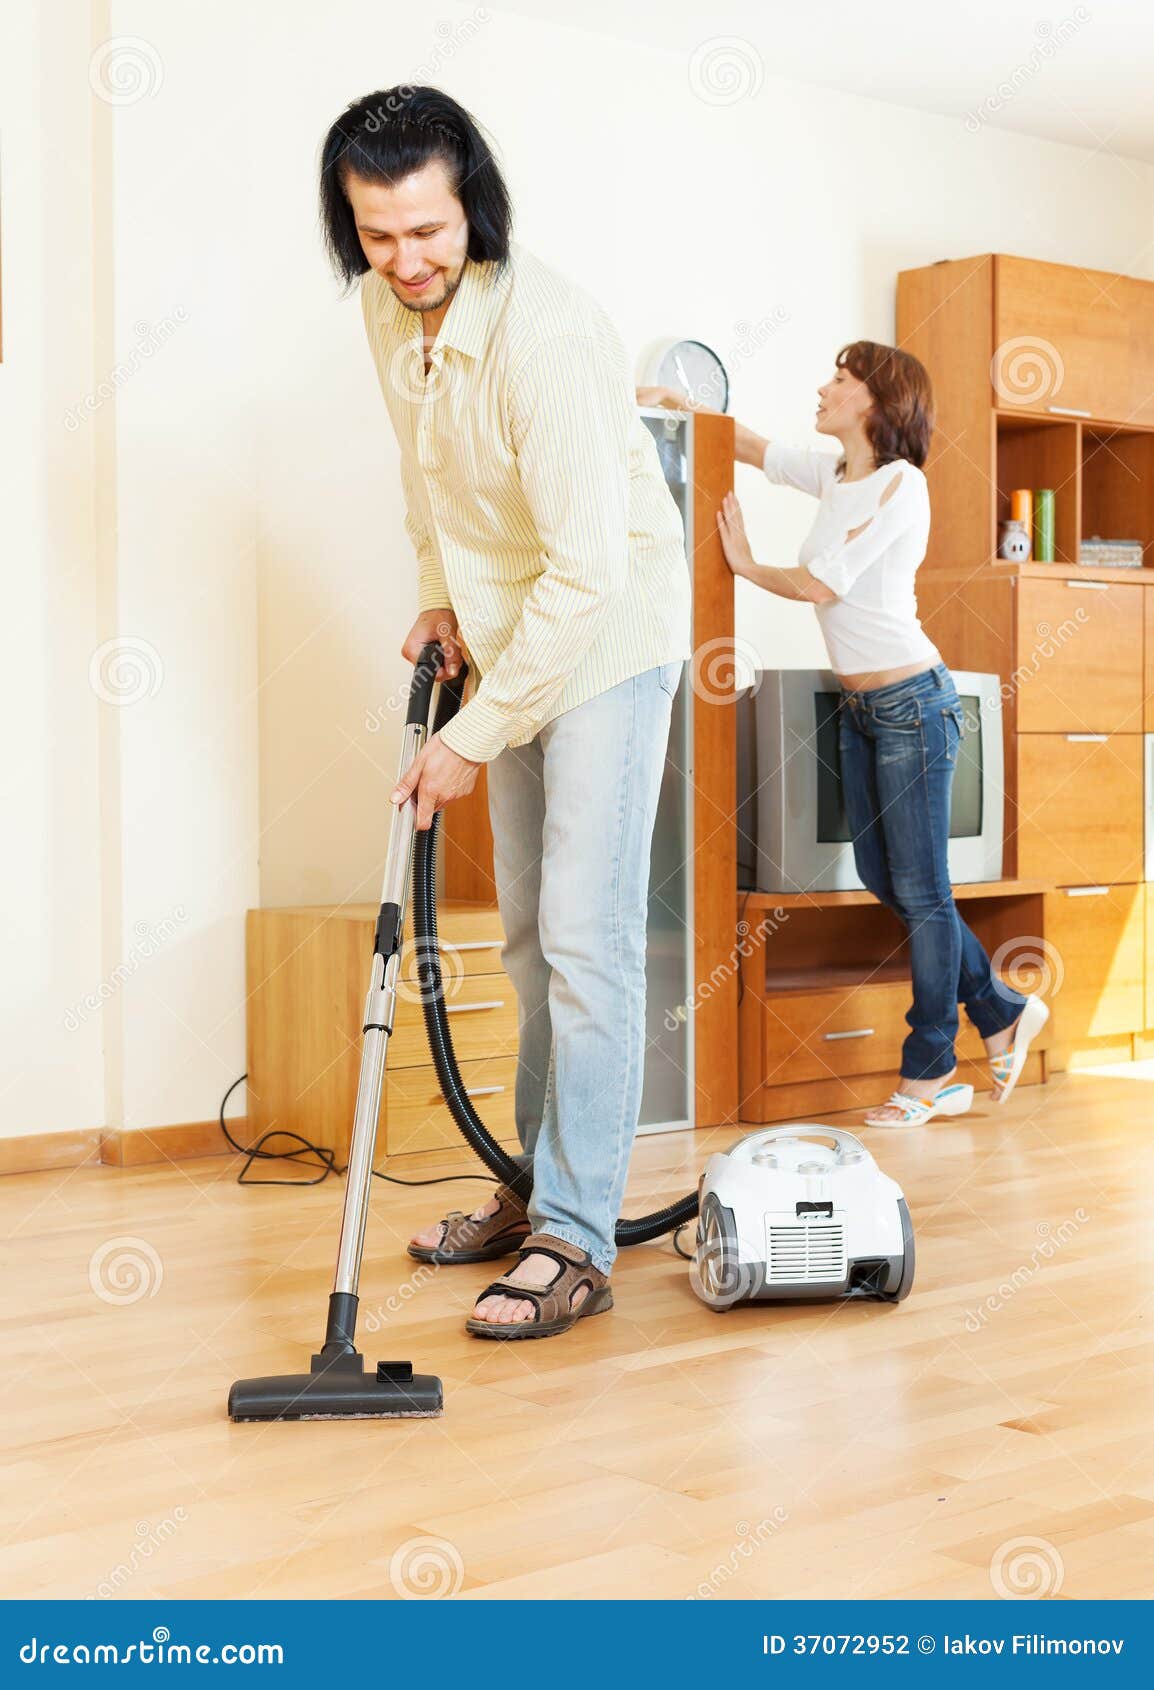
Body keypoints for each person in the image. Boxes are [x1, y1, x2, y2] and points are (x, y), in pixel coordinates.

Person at [321, 87, 690, 1335]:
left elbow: (588, 570)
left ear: (470, 206)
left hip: (607, 634)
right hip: (515, 626)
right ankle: (534, 1188)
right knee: (533, 935)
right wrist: (438, 598)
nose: (405, 261)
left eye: (425, 232)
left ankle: (578, 1239)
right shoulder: (385, 309)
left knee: (588, 935)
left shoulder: (553, 337)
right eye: (377, 235)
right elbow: (429, 477)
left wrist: (471, 739)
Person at [640, 344, 1048, 1125]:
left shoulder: (899, 484)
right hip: (864, 711)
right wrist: (681, 403)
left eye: (840, 378)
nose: (823, 388)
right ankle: (1000, 1008)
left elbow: (821, 582)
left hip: (914, 706)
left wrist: (746, 565)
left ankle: (925, 1073)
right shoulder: (835, 475)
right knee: (885, 879)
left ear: (874, 400)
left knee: (925, 895)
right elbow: (755, 449)